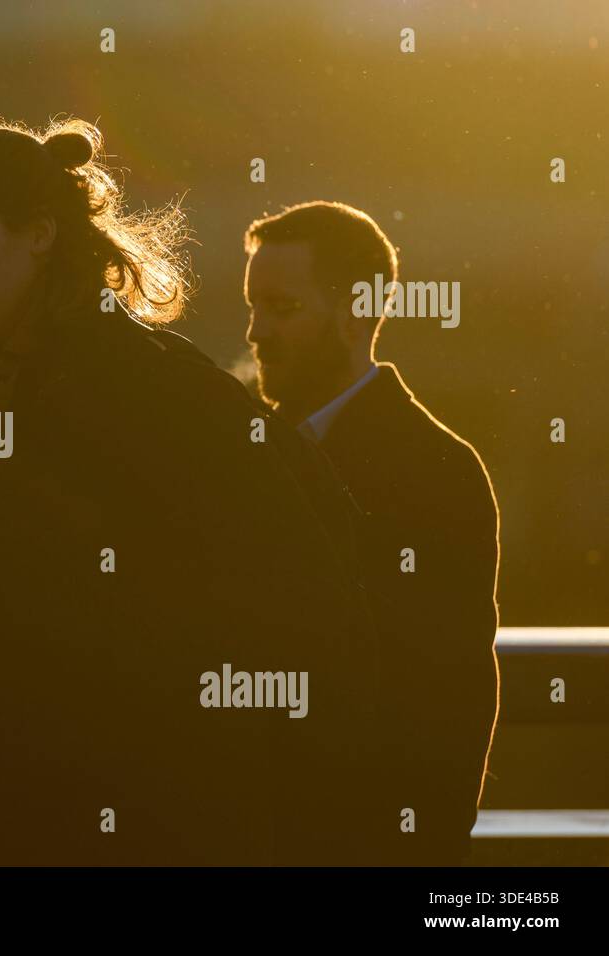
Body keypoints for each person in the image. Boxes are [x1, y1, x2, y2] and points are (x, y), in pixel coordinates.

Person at [0, 118, 381, 865]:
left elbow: (306, 583)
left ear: (37, 234)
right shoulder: (20, 387)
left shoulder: (132, 385)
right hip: (63, 788)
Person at [243, 200, 501, 864]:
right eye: (253, 308)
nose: (256, 331)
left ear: (357, 310)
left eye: (282, 308)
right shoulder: (253, 449)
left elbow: (453, 696)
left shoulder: (438, 469)